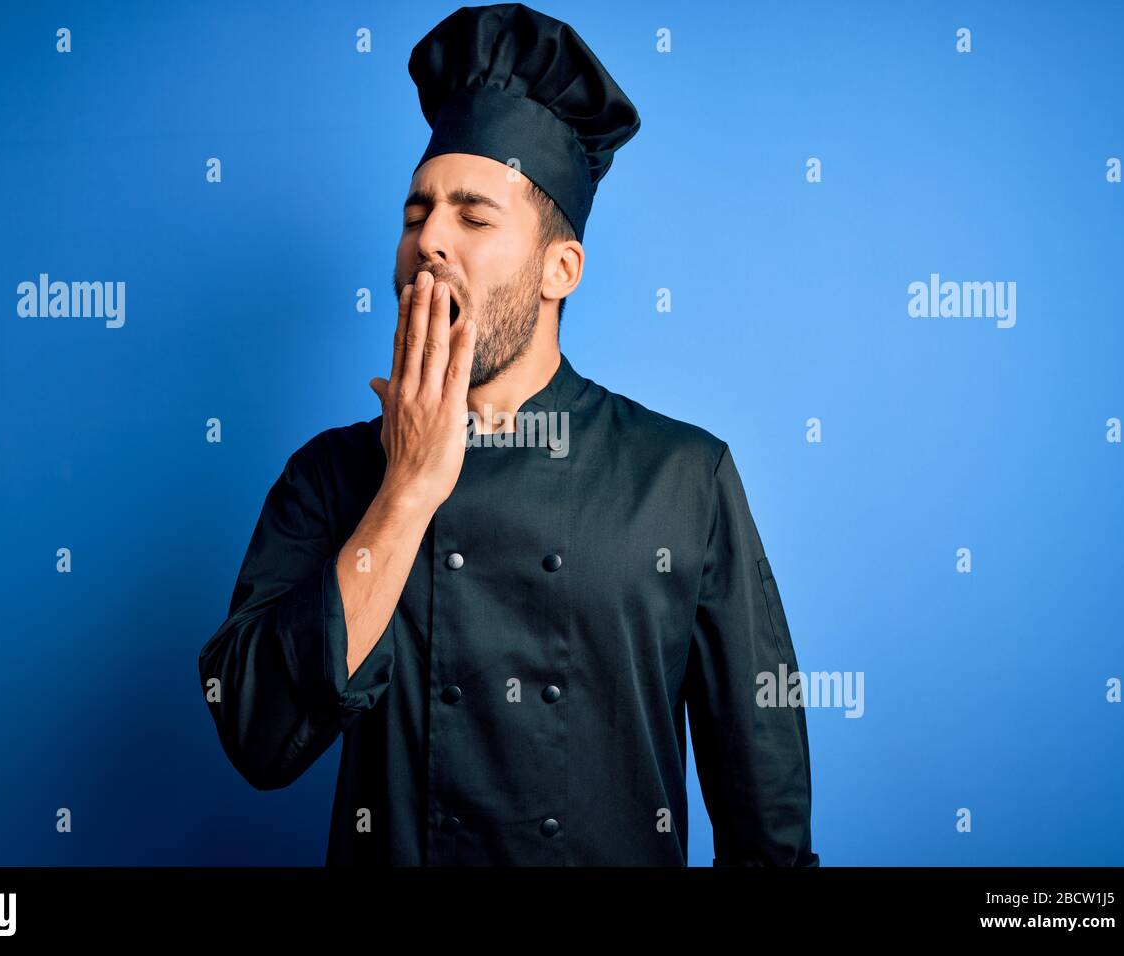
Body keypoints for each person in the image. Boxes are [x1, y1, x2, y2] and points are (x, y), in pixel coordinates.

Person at [199, 2, 819, 866]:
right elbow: (256, 735)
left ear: (559, 270)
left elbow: (768, 825)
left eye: (473, 217)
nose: (430, 243)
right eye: (417, 214)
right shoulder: (332, 476)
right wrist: (408, 488)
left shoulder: (683, 477)